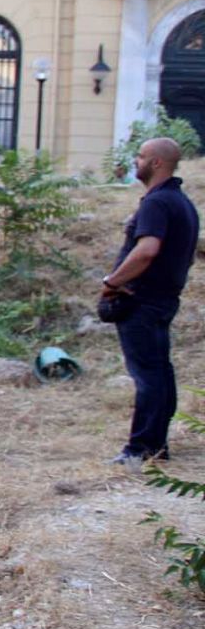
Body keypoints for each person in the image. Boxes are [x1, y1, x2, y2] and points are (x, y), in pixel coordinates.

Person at [102, 137, 199, 470]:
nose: (135, 160)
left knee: (148, 377)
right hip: (163, 299)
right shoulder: (182, 203)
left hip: (141, 301)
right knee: (159, 373)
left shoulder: (157, 203)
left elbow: (146, 251)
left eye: (141, 156)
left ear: (157, 162)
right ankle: (156, 444)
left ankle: (140, 448)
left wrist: (112, 283)